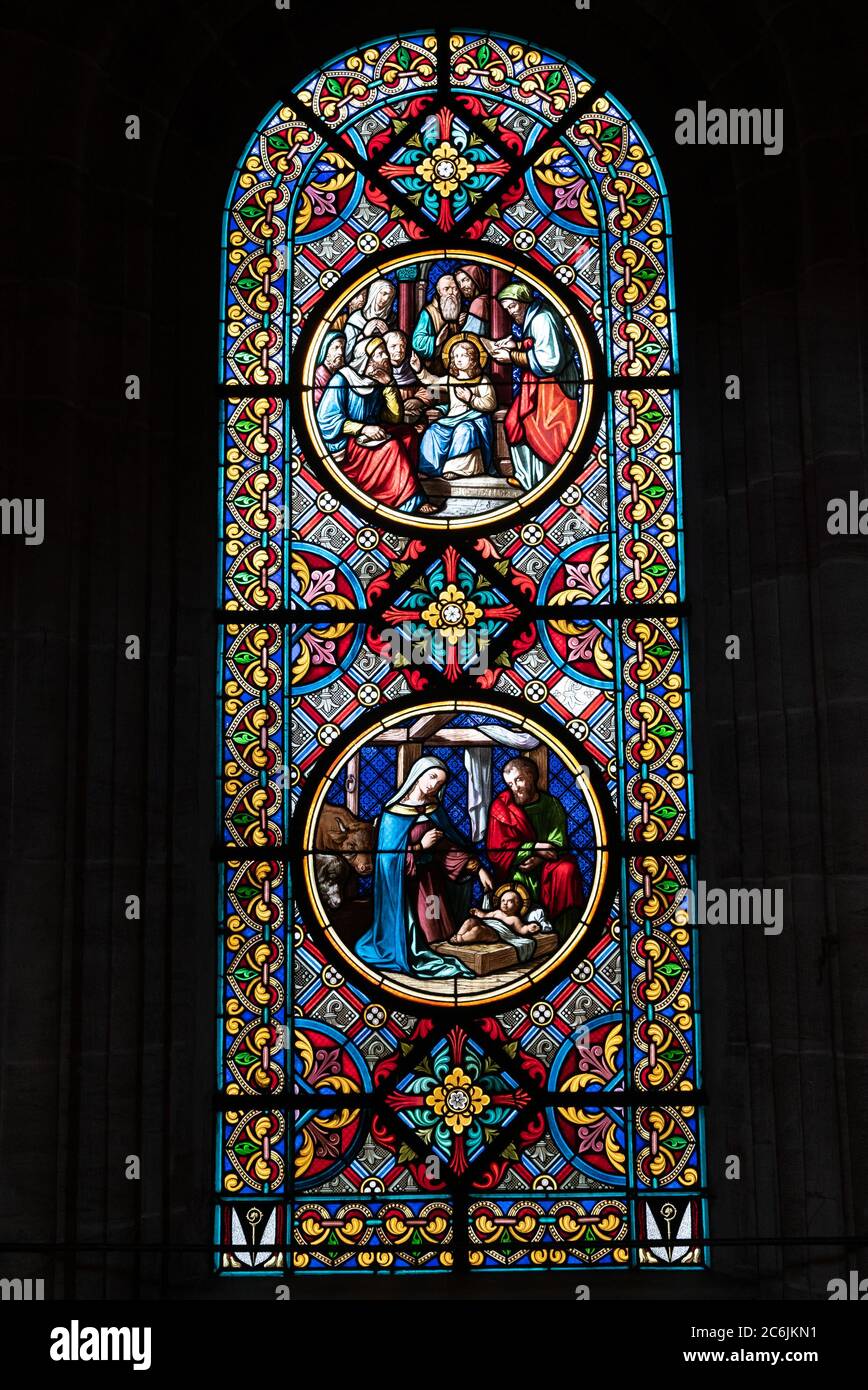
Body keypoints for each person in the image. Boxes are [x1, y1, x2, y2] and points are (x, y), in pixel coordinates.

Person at [354, 756, 495, 979]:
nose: (433, 785)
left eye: (439, 783)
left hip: (431, 884)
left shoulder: (434, 810)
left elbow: (448, 845)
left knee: (438, 931)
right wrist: (421, 846)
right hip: (405, 889)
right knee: (422, 935)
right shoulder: (392, 814)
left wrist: (478, 868)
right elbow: (388, 860)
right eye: (431, 777)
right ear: (417, 775)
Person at [315, 334, 439, 514]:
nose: (386, 356)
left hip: (373, 432)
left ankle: (408, 480)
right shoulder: (342, 379)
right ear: (366, 358)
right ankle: (409, 501)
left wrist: (389, 385)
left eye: (385, 353)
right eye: (380, 354)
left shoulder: (379, 379)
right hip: (347, 439)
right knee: (392, 446)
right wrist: (363, 428)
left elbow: (395, 418)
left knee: (407, 433)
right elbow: (326, 421)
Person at [490, 281, 581, 490]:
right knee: (514, 423)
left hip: (553, 389)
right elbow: (538, 345)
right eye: (507, 308)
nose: (511, 312)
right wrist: (516, 345)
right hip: (534, 387)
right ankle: (527, 478)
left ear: (524, 301)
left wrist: (512, 356)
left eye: (512, 306)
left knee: (545, 433)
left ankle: (545, 481)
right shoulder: (534, 317)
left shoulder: (542, 318)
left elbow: (550, 361)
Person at [486, 756, 585, 938]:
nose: (515, 788)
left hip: (548, 864)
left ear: (531, 776)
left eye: (519, 780)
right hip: (515, 866)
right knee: (517, 883)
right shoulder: (501, 807)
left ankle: (565, 934)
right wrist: (533, 848)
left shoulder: (551, 805)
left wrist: (539, 857)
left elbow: (558, 842)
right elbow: (497, 850)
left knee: (567, 870)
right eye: (510, 784)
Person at [419, 334, 497, 479]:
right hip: (450, 419)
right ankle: (429, 469)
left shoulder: (482, 380)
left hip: (473, 420)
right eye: (455, 356)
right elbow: (432, 382)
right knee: (433, 430)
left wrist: (470, 398)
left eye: (463, 355)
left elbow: (490, 403)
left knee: (465, 429)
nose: (458, 359)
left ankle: (456, 468)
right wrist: (418, 369)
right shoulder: (450, 379)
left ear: (473, 359)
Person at [451, 883, 554, 963]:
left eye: (510, 901)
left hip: (496, 934)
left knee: (478, 930)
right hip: (487, 925)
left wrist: (529, 928)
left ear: (517, 905)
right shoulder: (497, 912)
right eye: (503, 900)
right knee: (470, 921)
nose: (505, 903)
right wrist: (478, 913)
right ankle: (458, 935)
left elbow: (522, 930)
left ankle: (462, 939)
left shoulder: (514, 919)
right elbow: (485, 916)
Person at [412, 272, 465, 370]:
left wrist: (465, 324)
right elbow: (417, 342)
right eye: (446, 289)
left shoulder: (464, 311)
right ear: (439, 291)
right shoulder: (428, 313)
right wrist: (436, 340)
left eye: (455, 289)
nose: (451, 292)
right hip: (435, 368)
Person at [384, 329, 431, 425]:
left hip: (416, 419)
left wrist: (419, 401)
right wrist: (400, 411)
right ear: (384, 349)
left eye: (402, 346)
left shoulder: (415, 367)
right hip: (389, 422)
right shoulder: (381, 373)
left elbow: (435, 392)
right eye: (393, 346)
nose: (399, 350)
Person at [344, 278, 396, 359]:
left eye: (389, 297)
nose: (386, 299)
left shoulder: (393, 319)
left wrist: (387, 335)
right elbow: (346, 352)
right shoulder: (356, 318)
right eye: (384, 294)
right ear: (374, 293)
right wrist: (364, 334)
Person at [313, 331, 346, 409]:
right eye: (336, 347)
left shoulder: (342, 374)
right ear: (326, 350)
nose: (341, 352)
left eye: (342, 348)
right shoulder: (317, 376)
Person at [456, 264, 489, 336]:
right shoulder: (485, 299)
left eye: (465, 280)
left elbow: (469, 338)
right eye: (459, 283)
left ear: (476, 279)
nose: (462, 286)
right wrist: (467, 320)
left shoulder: (479, 302)